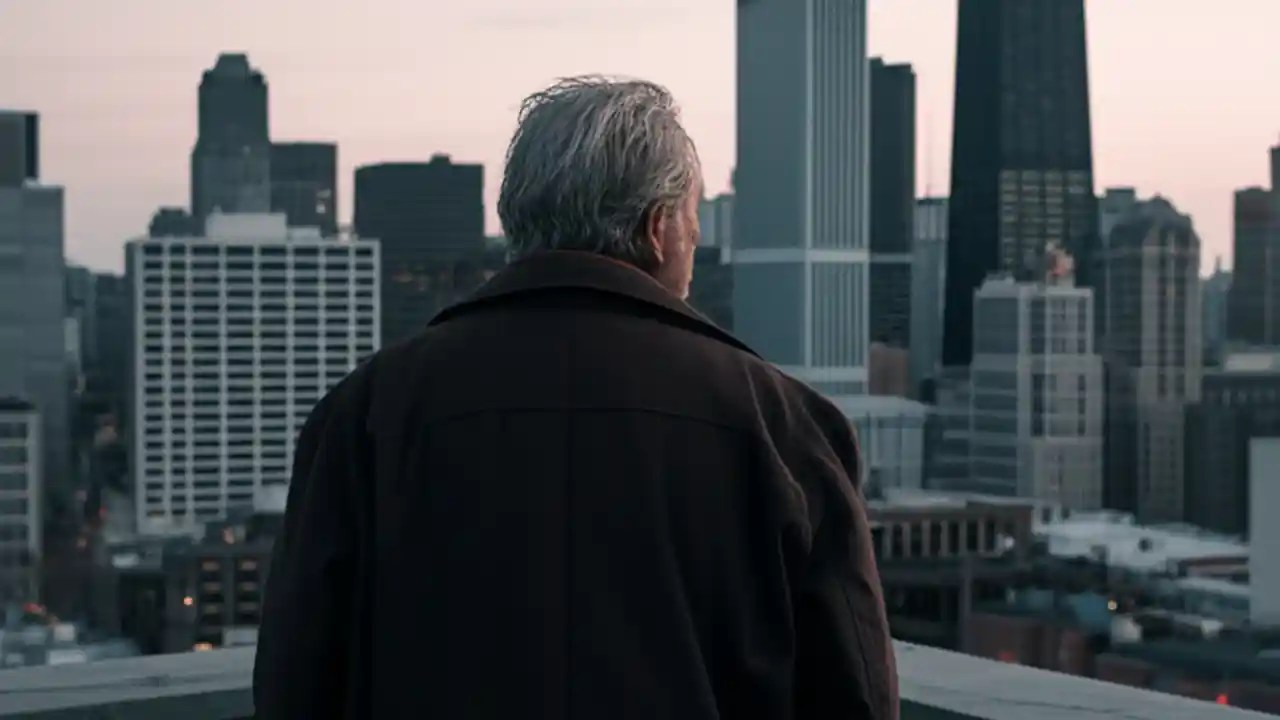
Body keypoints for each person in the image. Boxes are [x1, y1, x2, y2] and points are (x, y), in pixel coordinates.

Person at [254, 76, 897, 719]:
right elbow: (855, 698)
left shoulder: (363, 415)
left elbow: (296, 684)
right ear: (659, 228)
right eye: (694, 228)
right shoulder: (784, 427)